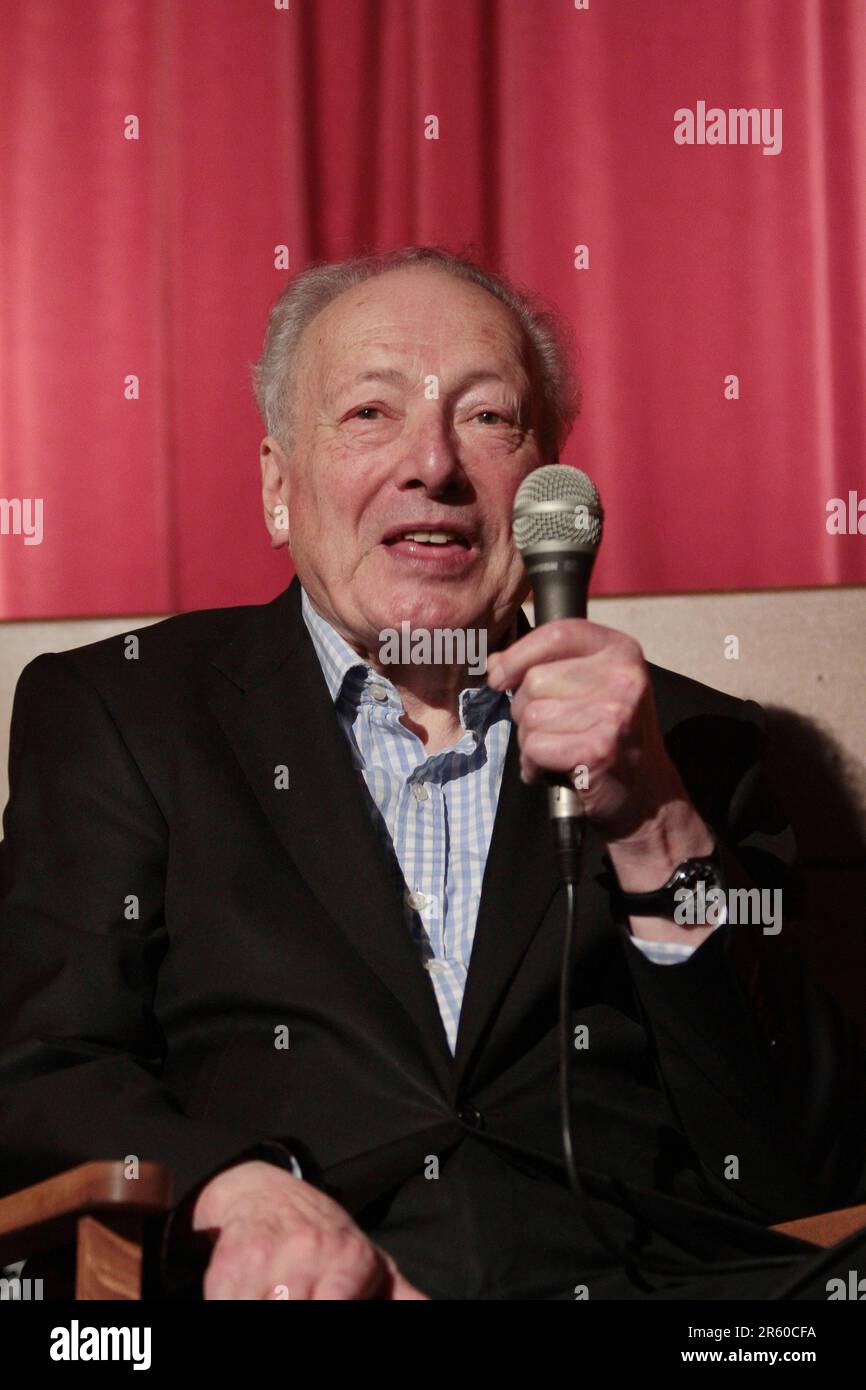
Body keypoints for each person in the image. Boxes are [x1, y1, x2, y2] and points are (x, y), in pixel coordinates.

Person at [1, 247, 864, 1301]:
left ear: (549, 484)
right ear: (278, 487)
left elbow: (797, 1164)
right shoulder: (124, 711)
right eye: (369, 413)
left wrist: (654, 825)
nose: (433, 466)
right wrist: (233, 1190)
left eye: (488, 417)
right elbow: (41, 1068)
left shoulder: (688, 739)